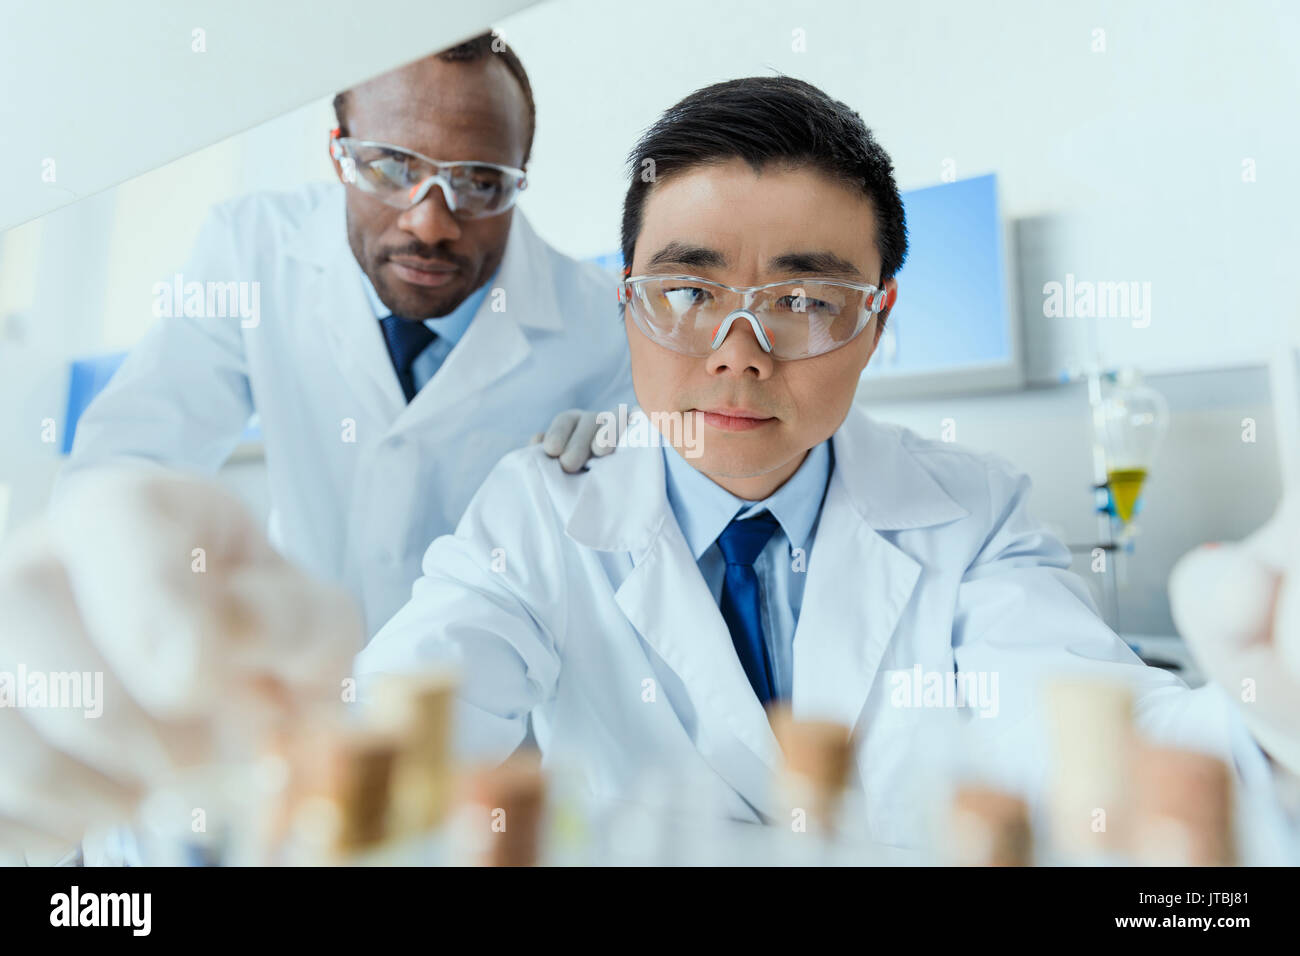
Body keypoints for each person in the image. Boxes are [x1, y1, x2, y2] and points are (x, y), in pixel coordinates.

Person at [355, 76, 1296, 849]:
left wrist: (1275, 718)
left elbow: (1095, 746)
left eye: (803, 298)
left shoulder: (969, 517)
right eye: (686, 290)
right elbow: (398, 730)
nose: (737, 352)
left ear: (877, 324)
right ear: (626, 305)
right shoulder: (539, 515)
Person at [61, 33, 632, 638]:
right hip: (303, 681)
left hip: (512, 710)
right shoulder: (253, 250)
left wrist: (637, 460)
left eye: (478, 182)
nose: (430, 223)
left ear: (518, 180)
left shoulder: (607, 326)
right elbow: (130, 460)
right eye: (390, 167)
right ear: (339, 152)